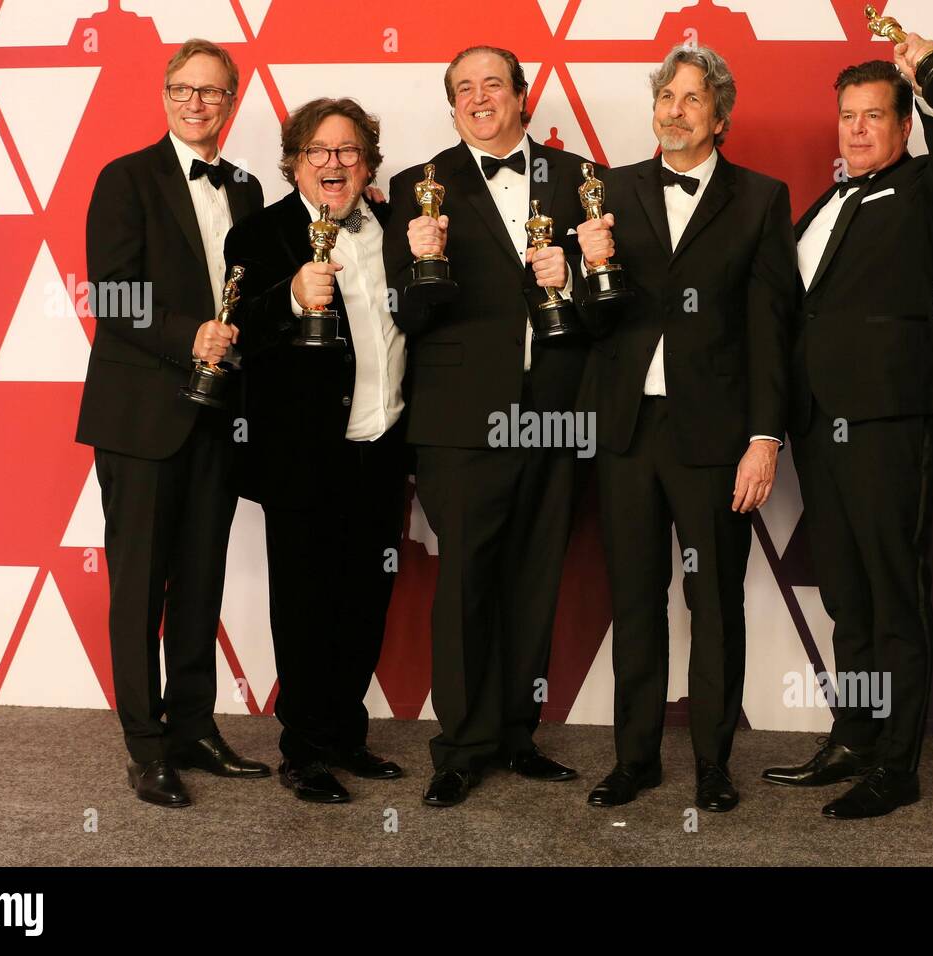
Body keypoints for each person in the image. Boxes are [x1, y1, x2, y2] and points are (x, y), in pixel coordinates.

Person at [761, 38, 933, 819]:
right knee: (849, 597)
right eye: (846, 118)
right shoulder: (824, 203)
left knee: (894, 593)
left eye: (873, 118)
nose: (856, 132)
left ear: (903, 124)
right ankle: (854, 737)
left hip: (893, 420)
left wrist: (927, 74)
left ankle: (898, 765)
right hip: (821, 428)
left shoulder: (930, 186)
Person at [574, 45, 798, 811]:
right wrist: (585, 270)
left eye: (691, 98)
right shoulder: (608, 189)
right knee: (635, 601)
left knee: (715, 604)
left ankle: (712, 764)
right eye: (665, 96)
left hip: (716, 438)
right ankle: (633, 760)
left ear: (720, 115)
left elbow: (773, 330)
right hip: (628, 433)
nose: (673, 109)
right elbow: (592, 321)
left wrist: (764, 438)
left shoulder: (762, 199)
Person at [383, 45, 591, 807]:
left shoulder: (576, 180)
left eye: (492, 85)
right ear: (452, 105)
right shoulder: (417, 185)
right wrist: (417, 263)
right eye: (463, 88)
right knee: (468, 580)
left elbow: (610, 304)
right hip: (461, 421)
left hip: (553, 413)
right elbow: (406, 311)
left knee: (535, 576)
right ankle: (461, 746)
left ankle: (517, 733)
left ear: (521, 96)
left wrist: (573, 277)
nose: (479, 98)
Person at [76, 39, 267, 808]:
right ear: (165, 95)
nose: (198, 104)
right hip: (142, 418)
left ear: (233, 99)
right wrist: (189, 333)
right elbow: (112, 298)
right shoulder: (124, 178)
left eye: (213, 93)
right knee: (139, 589)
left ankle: (194, 727)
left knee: (200, 583)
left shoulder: (249, 189)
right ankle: (145, 745)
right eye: (185, 90)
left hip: (219, 419)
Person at [222, 97, 407, 804]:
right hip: (304, 456)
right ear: (295, 162)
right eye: (319, 152)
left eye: (349, 151)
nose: (335, 164)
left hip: (382, 446)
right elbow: (239, 327)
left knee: (366, 601)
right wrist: (293, 296)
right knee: (306, 606)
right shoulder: (261, 234)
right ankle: (302, 750)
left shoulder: (392, 226)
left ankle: (346, 736)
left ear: (368, 163)